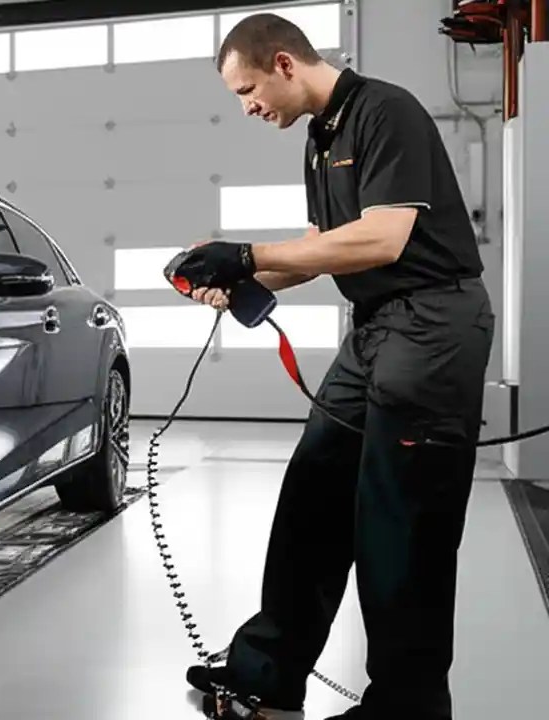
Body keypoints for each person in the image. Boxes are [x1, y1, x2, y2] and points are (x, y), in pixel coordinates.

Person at [174, 13, 494, 720]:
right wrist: (239, 281)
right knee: (313, 495)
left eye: (248, 89)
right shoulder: (322, 137)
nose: (247, 106)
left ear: (284, 63)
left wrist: (251, 253)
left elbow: (382, 239)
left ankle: (407, 707)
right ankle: (267, 670)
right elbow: (330, 243)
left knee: (401, 523)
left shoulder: (387, 111)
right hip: (376, 329)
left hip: (434, 327)